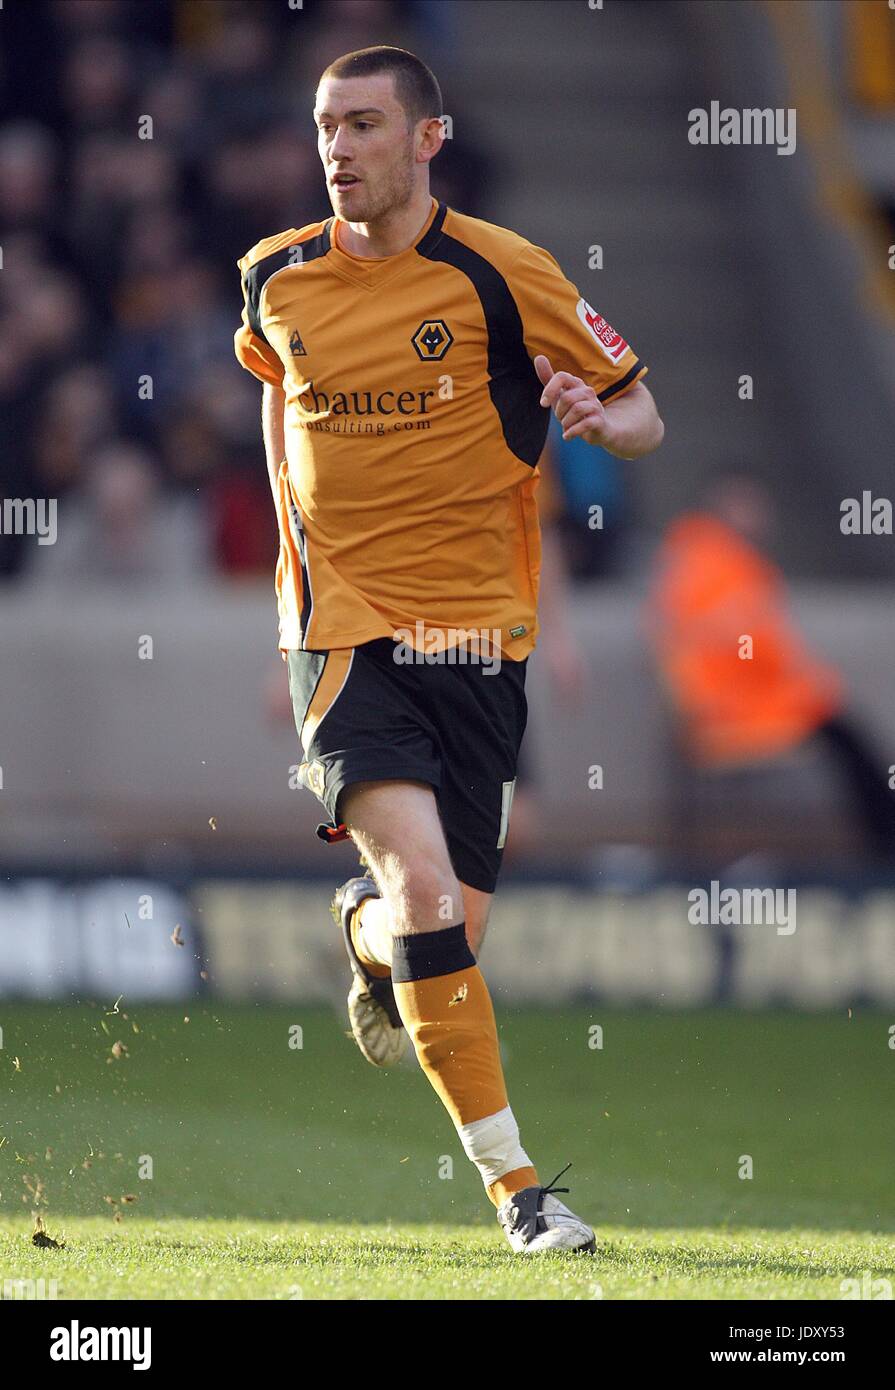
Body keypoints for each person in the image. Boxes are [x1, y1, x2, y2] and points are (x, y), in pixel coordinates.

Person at [234, 45, 663, 1254]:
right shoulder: (274, 277)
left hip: (479, 636)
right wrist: (293, 568)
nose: (338, 148)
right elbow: (277, 395)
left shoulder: (502, 271)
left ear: (428, 139)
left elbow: (642, 406)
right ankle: (520, 1191)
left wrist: (597, 417)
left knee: (439, 934)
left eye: (365, 125)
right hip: (345, 629)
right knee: (428, 893)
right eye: (326, 126)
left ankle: (359, 934)